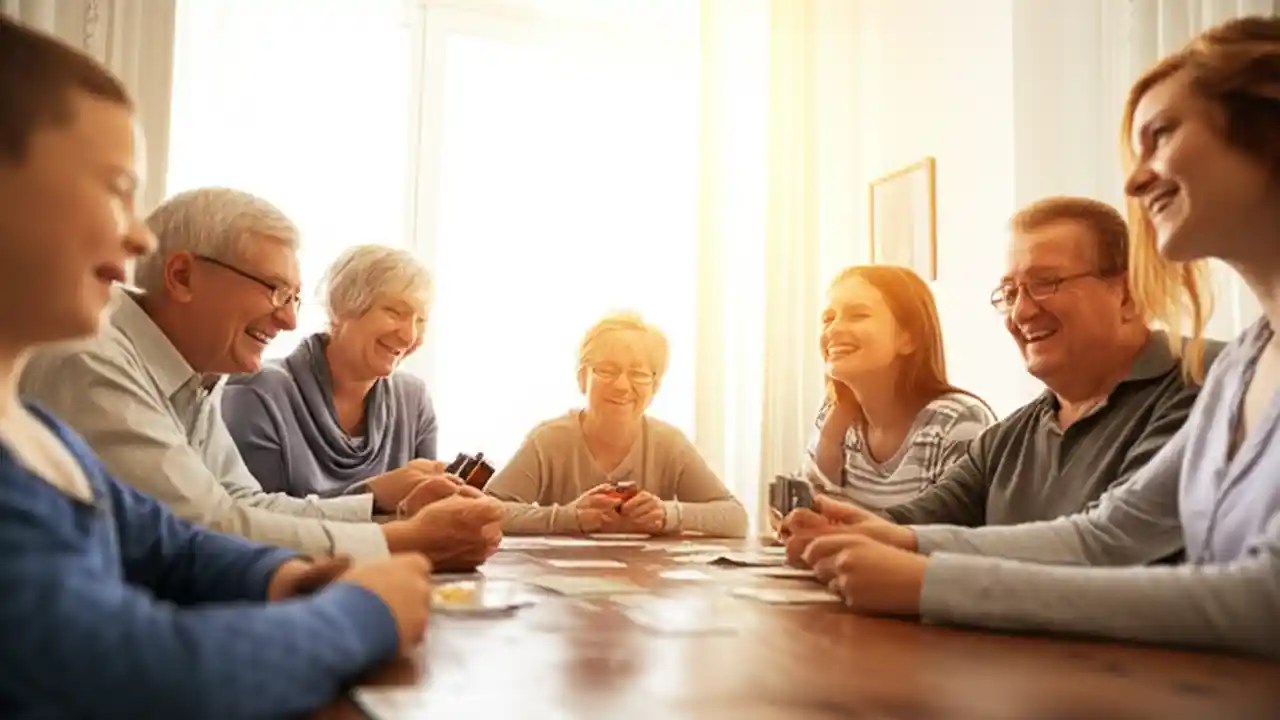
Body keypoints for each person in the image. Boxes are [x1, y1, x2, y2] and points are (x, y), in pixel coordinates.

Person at [792, 15, 1280, 660]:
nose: (1135, 182)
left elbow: (1264, 602)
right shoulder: (1243, 363)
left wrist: (936, 581)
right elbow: (1107, 536)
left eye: (1161, 136)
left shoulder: (1194, 377)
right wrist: (903, 544)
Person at [0, 18, 433, 717]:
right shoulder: (68, 390)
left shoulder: (38, 431)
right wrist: (361, 611)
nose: (137, 233)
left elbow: (173, 543)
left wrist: (288, 579)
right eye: (114, 188)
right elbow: (136, 672)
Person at [20, 186, 501, 569]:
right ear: (183, 276)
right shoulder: (91, 356)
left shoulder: (192, 375)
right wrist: (402, 540)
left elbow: (243, 502)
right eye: (275, 291)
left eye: (293, 298)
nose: (290, 322)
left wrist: (388, 513)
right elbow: (205, 527)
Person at [783, 196, 1218, 550]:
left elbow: (1114, 546)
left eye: (1046, 282)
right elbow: (914, 523)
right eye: (1010, 292)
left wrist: (922, 575)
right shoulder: (1007, 438)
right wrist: (842, 529)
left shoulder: (1203, 384)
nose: (1021, 311)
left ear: (1127, 295)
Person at [486, 312, 748, 537]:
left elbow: (736, 518)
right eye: (607, 370)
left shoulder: (669, 444)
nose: (622, 386)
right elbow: (488, 510)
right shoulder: (548, 440)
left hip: (646, 585)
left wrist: (668, 513)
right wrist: (568, 518)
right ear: (582, 379)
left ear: (654, 387)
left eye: (638, 373)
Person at [223, 244, 439, 499]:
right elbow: (260, 524)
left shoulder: (413, 398)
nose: (409, 335)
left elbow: (425, 515)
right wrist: (372, 498)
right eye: (394, 312)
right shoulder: (257, 393)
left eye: (420, 320)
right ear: (340, 308)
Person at [803, 265, 994, 509]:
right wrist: (828, 444)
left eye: (858, 315)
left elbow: (956, 536)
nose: (834, 329)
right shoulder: (834, 419)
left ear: (909, 337)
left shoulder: (957, 421)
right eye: (828, 318)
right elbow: (805, 516)